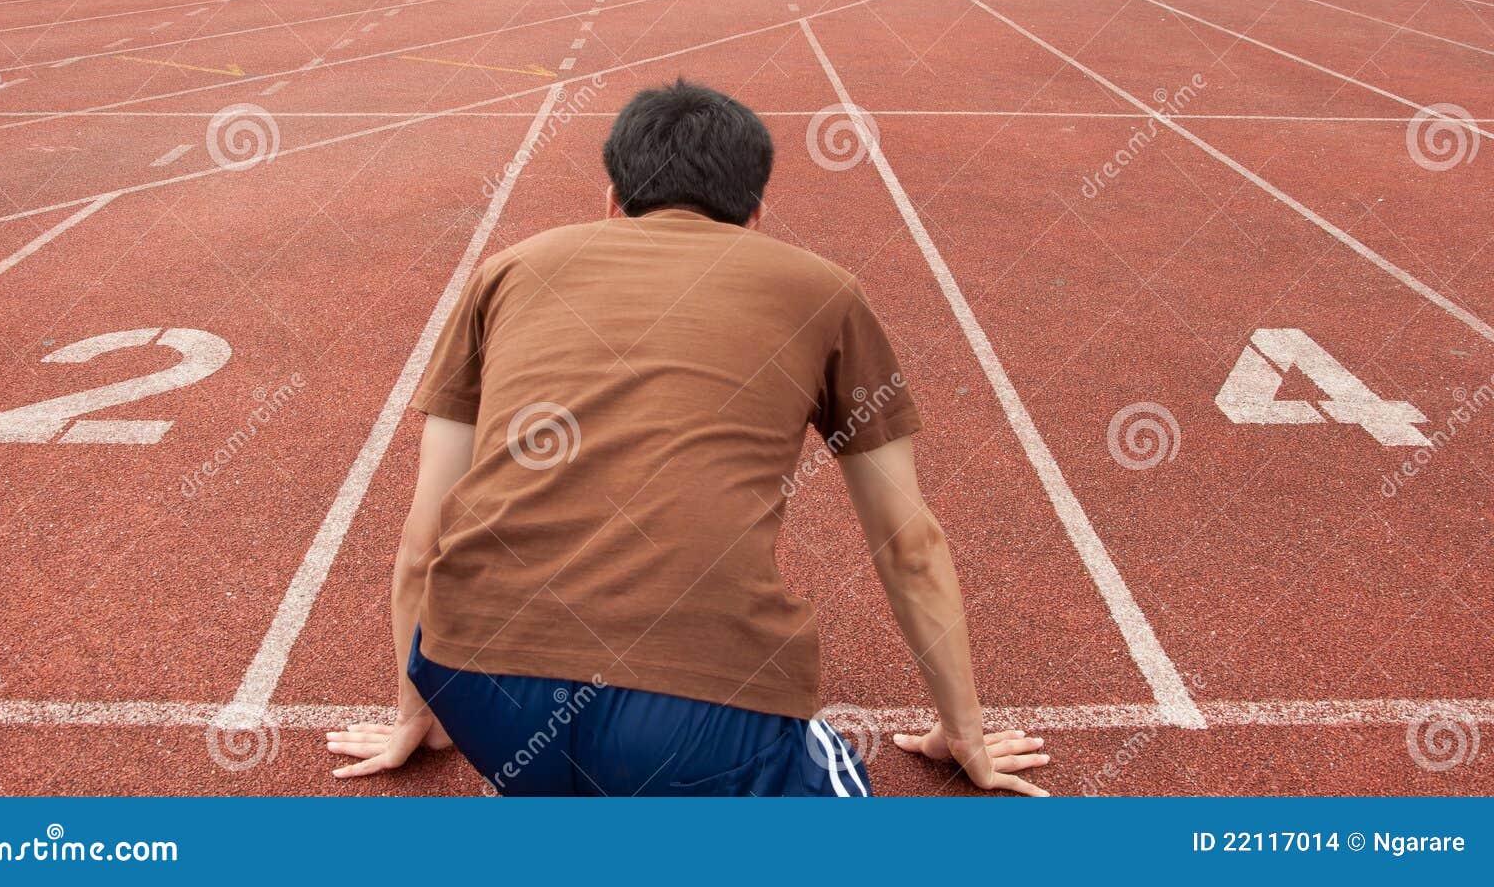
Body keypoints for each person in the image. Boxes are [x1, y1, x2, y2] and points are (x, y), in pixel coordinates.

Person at [324, 80, 1050, 796]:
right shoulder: (823, 291)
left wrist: (419, 716)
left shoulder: (506, 272)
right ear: (757, 215)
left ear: (611, 201)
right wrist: (964, 734)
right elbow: (908, 544)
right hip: (690, 726)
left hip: (481, 697)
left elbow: (424, 537)